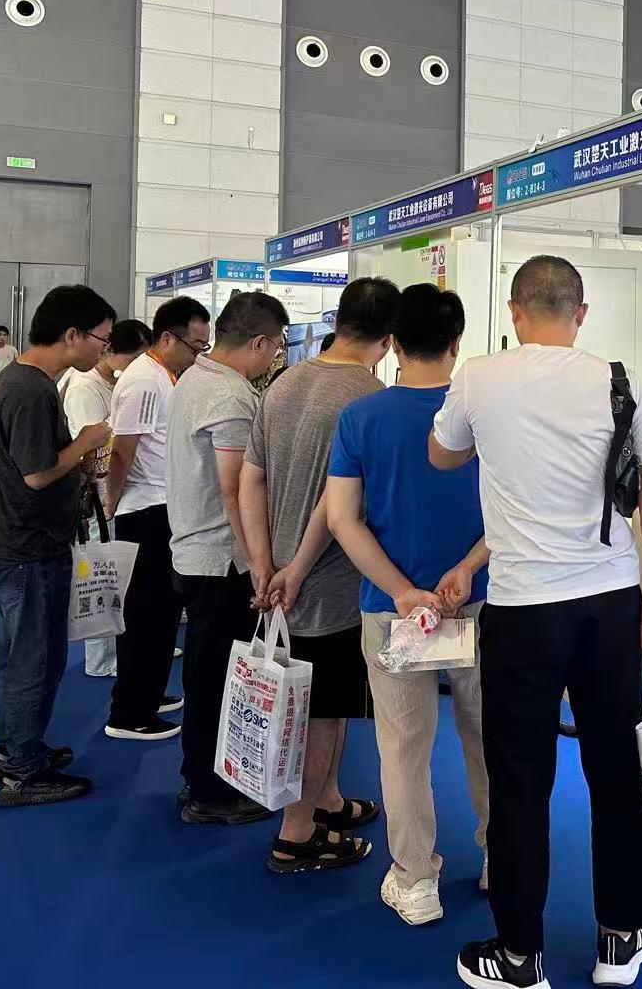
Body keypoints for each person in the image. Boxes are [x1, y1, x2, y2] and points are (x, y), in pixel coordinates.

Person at [430, 255, 642, 989]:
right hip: (609, 604)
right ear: (582, 313)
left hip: (522, 609)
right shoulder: (619, 381)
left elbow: (442, 455)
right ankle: (621, 938)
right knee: (614, 770)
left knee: (519, 781)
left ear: (514, 311)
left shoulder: (479, 376)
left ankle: (518, 956)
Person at [327, 283, 491, 925]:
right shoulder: (483, 414)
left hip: (391, 610)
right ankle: (502, 857)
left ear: (392, 342)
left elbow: (343, 519)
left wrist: (400, 590)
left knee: (402, 747)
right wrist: (465, 569)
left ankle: (416, 879)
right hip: (480, 599)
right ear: (457, 342)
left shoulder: (360, 418)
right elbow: (512, 514)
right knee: (491, 738)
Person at [245, 276, 399, 873]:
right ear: (388, 339)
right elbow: (339, 506)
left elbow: (251, 478)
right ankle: (297, 833)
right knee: (322, 711)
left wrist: (263, 562)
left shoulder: (283, 382)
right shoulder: (369, 399)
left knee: (309, 701)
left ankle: (326, 800)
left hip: (276, 576)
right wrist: (296, 570)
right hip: (326, 582)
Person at [0, 283, 116, 808]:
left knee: (19, 657)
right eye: (101, 339)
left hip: (16, 540)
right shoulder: (31, 388)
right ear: (72, 335)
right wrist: (85, 443)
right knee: (33, 661)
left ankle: (15, 749)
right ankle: (22, 771)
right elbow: (36, 474)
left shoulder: (24, 381)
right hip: (28, 546)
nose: (103, 349)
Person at [167, 291, 288, 828]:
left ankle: (200, 776)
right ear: (259, 342)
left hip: (193, 549)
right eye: (277, 346)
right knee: (217, 678)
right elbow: (235, 488)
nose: (276, 356)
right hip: (220, 560)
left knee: (204, 673)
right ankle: (210, 791)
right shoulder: (232, 396)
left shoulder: (195, 377)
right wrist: (258, 560)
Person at [102, 296, 209, 741]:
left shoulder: (164, 376)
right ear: (167, 338)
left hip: (162, 506)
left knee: (162, 613)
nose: (198, 354)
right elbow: (121, 451)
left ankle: (147, 693)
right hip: (145, 510)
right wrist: (110, 501)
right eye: (195, 346)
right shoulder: (144, 380)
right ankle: (130, 713)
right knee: (145, 614)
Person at [60, 318, 151, 679]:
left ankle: (126, 645)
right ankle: (100, 658)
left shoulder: (115, 381)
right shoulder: (85, 386)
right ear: (110, 349)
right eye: (134, 358)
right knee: (99, 572)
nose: (138, 365)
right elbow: (93, 445)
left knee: (118, 571)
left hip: (115, 488)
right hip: (95, 491)